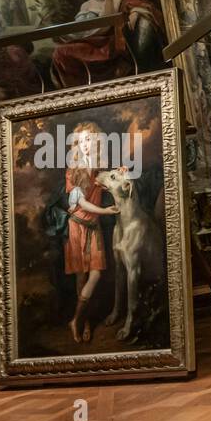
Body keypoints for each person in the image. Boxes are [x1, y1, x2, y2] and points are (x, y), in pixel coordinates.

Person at [63, 121, 120, 343]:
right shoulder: (72, 172)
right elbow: (83, 205)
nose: (86, 145)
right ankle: (84, 322)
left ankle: (75, 319)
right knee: (81, 277)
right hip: (77, 226)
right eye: (82, 141)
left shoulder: (99, 171)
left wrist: (121, 172)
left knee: (95, 274)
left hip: (93, 229)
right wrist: (105, 211)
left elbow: (113, 179)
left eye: (91, 140)